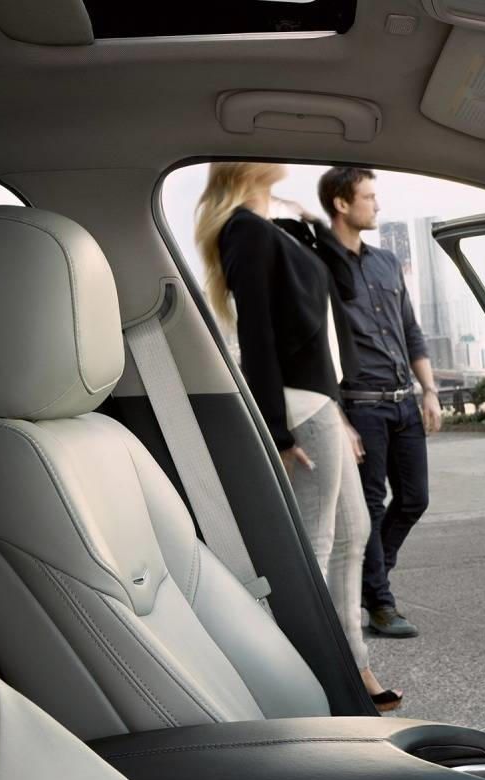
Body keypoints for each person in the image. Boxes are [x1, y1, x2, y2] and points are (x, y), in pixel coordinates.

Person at [193, 162, 402, 710]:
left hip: (323, 402)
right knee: (316, 545)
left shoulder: (280, 230)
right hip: (299, 406)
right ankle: (310, 682)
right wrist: (279, 433)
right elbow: (257, 333)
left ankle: (352, 665)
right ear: (245, 165)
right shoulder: (244, 230)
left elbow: (342, 287)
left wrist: (310, 224)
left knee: (354, 534)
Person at [312, 167, 443, 638]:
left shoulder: (387, 262)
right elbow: (315, 345)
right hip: (361, 405)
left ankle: (371, 581)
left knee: (414, 498)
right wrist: (338, 418)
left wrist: (429, 391)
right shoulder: (319, 267)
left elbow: (410, 330)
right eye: (368, 197)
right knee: (369, 507)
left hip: (404, 401)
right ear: (341, 204)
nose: (377, 205)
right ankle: (382, 604)